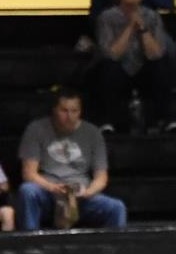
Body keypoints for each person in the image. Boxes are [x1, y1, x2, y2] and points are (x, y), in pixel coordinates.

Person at [17, 93, 126, 230]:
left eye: (74, 111)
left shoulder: (92, 133)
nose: (69, 116)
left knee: (116, 207)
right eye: (64, 111)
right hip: (48, 192)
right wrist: (53, 188)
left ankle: (115, 250)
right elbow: (29, 173)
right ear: (54, 110)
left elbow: (101, 177)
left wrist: (88, 192)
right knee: (27, 191)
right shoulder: (36, 129)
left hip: (81, 195)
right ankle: (29, 245)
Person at [92, 0, 176, 133]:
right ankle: (106, 121)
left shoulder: (152, 17)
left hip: (144, 70)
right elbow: (111, 54)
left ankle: (165, 119)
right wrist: (130, 27)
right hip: (119, 70)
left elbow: (156, 54)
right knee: (107, 68)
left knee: (162, 66)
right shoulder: (107, 17)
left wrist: (143, 29)